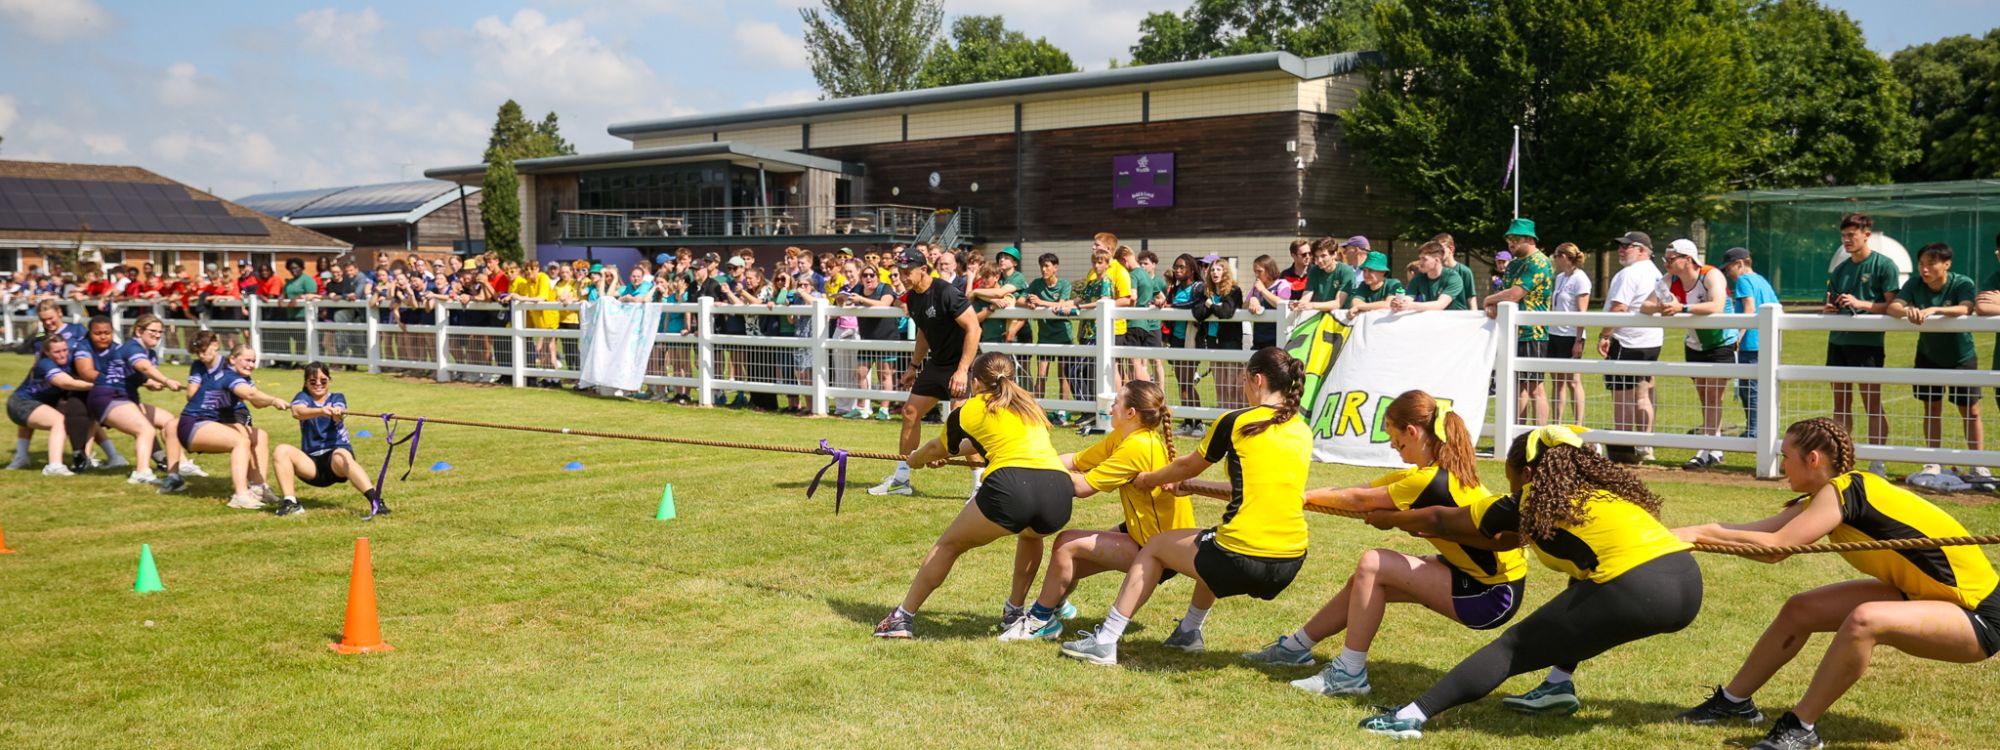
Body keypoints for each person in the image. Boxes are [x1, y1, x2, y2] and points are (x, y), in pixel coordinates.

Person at [1671, 418, 1999, 750]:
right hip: (1923, 595)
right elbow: (1758, 531)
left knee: (1865, 620)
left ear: (1812, 459)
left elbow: (1774, 550)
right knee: (1802, 609)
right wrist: (1688, 533)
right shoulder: (1829, 496)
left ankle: (1803, 727)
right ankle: (1734, 702)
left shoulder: (1844, 491)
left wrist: (1696, 536)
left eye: (1786, 456)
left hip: (1977, 615)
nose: (1783, 465)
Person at [1357, 426, 1704, 739]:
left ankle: (1410, 716)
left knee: (1512, 648)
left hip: (1637, 589)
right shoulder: (1602, 495)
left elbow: (1442, 520)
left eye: (1511, 479)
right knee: (1580, 580)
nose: (1511, 488)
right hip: (1687, 582)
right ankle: (1557, 685)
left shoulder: (1532, 500)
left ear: (1527, 473)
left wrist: (1390, 518)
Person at [1245, 391, 1525, 699]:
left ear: (1412, 432)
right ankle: (1295, 648)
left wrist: (1304, 497)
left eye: (1397, 440)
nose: (1394, 446)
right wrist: (1305, 496)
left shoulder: (1429, 481)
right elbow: (1358, 490)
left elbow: (1358, 500)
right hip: (1481, 579)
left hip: (1492, 595)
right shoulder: (1429, 475)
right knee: (1363, 582)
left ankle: (1349, 673)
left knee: (1374, 563)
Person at [1059, 347, 1312, 666]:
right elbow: (1243, 487)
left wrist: (1152, 479)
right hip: (1291, 561)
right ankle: (1188, 633)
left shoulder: (1235, 422)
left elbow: (1186, 467)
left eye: (1244, 379)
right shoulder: (1302, 430)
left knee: (1155, 547)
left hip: (1243, 557)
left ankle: (1105, 641)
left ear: (1257, 379)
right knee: (1206, 540)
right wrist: (1187, 487)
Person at [873, 352, 1074, 639]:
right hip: (1058, 491)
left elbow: (935, 449)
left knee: (949, 545)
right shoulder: (1029, 405)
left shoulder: (969, 409)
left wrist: (914, 459)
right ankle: (1014, 612)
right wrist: (945, 452)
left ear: (976, 382)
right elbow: (979, 442)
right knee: (1032, 535)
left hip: (1013, 487)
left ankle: (901, 619)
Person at [997, 379, 1201, 643]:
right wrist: (1028, 462)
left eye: (1117, 400)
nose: (1112, 404)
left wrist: (1030, 474)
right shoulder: (1124, 436)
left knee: (1067, 544)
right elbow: (1078, 461)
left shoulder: (1135, 447)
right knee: (1073, 558)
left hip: (1160, 548)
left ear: (1131, 413)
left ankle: (1040, 621)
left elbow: (1082, 486)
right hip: (1145, 531)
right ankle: (1055, 605)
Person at [867, 248, 981, 497]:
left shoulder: (947, 292)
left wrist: (962, 370)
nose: (904, 277)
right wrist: (913, 366)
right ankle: (901, 479)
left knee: (961, 422)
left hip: (963, 363)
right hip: (938, 364)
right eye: (901, 272)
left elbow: (974, 328)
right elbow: (924, 332)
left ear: (923, 270)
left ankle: (979, 486)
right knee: (909, 412)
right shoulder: (914, 298)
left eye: (908, 272)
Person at [1886, 243, 1983, 490]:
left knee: (1971, 411)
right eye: (1921, 264)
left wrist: (1934, 309)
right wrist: (1908, 310)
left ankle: (1978, 464)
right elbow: (1893, 306)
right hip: (1928, 355)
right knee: (1931, 409)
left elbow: (1966, 307)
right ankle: (1933, 461)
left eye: (1931, 264)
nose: (1925, 269)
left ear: (1946, 264)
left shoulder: (1962, 282)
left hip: (1962, 356)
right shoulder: (1915, 284)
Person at [1645, 239, 1737, 470]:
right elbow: (1645, 305)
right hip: (1695, 344)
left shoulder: (1711, 275)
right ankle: (1713, 448)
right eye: (1665, 258)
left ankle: (1706, 450)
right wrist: (1662, 308)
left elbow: (1716, 305)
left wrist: (1682, 308)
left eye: (1671, 258)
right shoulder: (1669, 280)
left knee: (1714, 397)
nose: (1666, 263)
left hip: (1720, 343)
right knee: (1705, 397)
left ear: (1688, 259)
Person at [1825, 213, 1898, 477]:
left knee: (1872, 402)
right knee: (1840, 403)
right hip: (1838, 342)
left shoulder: (1884, 265)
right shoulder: (1841, 269)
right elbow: (1831, 302)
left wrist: (1862, 304)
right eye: (1843, 236)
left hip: (1867, 345)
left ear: (1866, 234)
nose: (1846, 240)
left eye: (1851, 235)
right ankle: (1841, 460)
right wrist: (1830, 310)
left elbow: (1893, 306)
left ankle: (1877, 462)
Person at [180, 342, 290, 509]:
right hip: (193, 424)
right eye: (247, 360)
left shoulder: (243, 378)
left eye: (253, 361)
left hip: (210, 422)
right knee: (240, 441)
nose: (251, 365)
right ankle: (240, 495)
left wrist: (271, 403)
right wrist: (273, 400)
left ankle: (258, 488)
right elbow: (249, 394)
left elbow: (256, 402)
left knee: (259, 435)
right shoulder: (229, 376)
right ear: (232, 359)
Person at [85, 315, 191, 486]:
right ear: (139, 331)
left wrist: (151, 383)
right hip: (107, 396)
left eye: (160, 332)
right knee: (145, 430)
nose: (157, 335)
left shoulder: (150, 352)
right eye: (153, 331)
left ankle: (182, 464)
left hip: (125, 397)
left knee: (169, 421)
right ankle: (141, 472)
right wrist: (166, 380)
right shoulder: (132, 346)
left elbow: (137, 375)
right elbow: (143, 366)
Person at [271, 363, 385, 518]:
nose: (318, 384)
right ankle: (290, 503)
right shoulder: (302, 397)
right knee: (281, 450)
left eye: (323, 381)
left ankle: (375, 501)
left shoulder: (337, 397)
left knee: (342, 454)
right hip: (312, 465)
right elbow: (297, 411)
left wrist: (337, 413)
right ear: (306, 383)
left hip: (335, 461)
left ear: (329, 381)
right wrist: (320, 411)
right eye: (313, 381)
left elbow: (340, 414)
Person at [1597, 231, 1666, 464]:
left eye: (1627, 246)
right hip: (1651, 341)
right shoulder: (1658, 274)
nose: (1621, 250)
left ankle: (1625, 450)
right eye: (1621, 246)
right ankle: (1645, 446)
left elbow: (1619, 309)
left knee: (1623, 397)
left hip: (1627, 341)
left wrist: (1605, 334)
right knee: (1643, 394)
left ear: (1642, 250)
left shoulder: (1629, 274)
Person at [1484, 218, 1553, 426]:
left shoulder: (1539, 262)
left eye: (1515, 238)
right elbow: (1504, 294)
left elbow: (1515, 294)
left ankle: (1540, 435)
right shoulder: (1513, 264)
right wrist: (1494, 304)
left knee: (1535, 387)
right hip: (1511, 332)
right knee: (1516, 386)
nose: (1510, 243)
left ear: (1530, 239)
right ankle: (1517, 435)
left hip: (1533, 332)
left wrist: (1489, 300)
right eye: (1508, 239)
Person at [7, 335, 94, 476]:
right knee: (58, 421)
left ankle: (94, 457)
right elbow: (65, 383)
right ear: (47, 353)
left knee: (85, 415)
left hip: (39, 403)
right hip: (20, 404)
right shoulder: (45, 364)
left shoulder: (69, 360)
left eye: (65, 350)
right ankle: (54, 466)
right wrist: (98, 386)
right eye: (57, 352)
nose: (62, 355)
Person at [1722, 247, 1779, 441]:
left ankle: (1754, 432)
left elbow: (1749, 308)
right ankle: (1757, 429)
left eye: (1729, 268)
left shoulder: (1744, 281)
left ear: (1739, 264)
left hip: (1751, 343)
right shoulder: (1762, 280)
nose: (1728, 274)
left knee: (1750, 390)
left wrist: (1737, 336)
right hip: (1766, 342)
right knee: (1758, 389)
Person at [1547, 243, 1593, 425]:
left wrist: (1578, 340)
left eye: (1557, 255)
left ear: (1565, 256)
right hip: (1554, 333)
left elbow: (1582, 312)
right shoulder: (1559, 278)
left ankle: (1577, 424)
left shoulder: (1581, 279)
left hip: (1570, 335)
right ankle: (1556, 423)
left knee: (1572, 381)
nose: (1555, 259)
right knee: (1557, 380)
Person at [1020, 253, 1073, 410]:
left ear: (1055, 268)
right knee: (1041, 374)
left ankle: (1062, 411)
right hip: (1044, 336)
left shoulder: (1064, 284)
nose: (1043, 269)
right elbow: (1020, 299)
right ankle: (1039, 410)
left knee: (1063, 375)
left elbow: (1061, 305)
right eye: (1042, 266)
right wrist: (1028, 304)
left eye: (1047, 266)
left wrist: (1040, 302)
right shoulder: (1036, 284)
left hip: (1063, 335)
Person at [1193, 259, 1244, 408]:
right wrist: (1213, 306)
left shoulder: (1234, 291)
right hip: (1212, 341)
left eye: (1218, 269)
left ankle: (1234, 415)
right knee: (1219, 385)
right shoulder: (1207, 291)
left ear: (1225, 272)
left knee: (1231, 385)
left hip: (1230, 342)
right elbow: (1198, 313)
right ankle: (1222, 415)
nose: (1215, 272)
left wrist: (1210, 305)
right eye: (1213, 270)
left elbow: (1226, 312)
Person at [1392, 241, 1469, 313]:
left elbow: (1440, 305)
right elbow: (1408, 299)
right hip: (1432, 321)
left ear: (1437, 260)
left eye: (1424, 259)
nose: (1420, 263)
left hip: (1455, 322)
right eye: (1420, 258)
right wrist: (1398, 303)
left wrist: (1410, 305)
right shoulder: (1418, 278)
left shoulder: (1453, 277)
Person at [1292, 237, 1355, 314]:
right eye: (1316, 257)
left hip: (1341, 320)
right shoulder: (1314, 271)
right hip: (1319, 318)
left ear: (1334, 254)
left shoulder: (1346, 271)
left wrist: (1312, 305)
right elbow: (1306, 296)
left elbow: (1338, 304)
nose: (1319, 260)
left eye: (1323, 256)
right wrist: (1299, 304)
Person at [1344, 251, 1403, 317]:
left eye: (1370, 270)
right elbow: (1355, 303)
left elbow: (1389, 304)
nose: (1366, 275)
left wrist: (1360, 307)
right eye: (1364, 270)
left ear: (1383, 272)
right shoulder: (1364, 285)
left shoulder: (1393, 284)